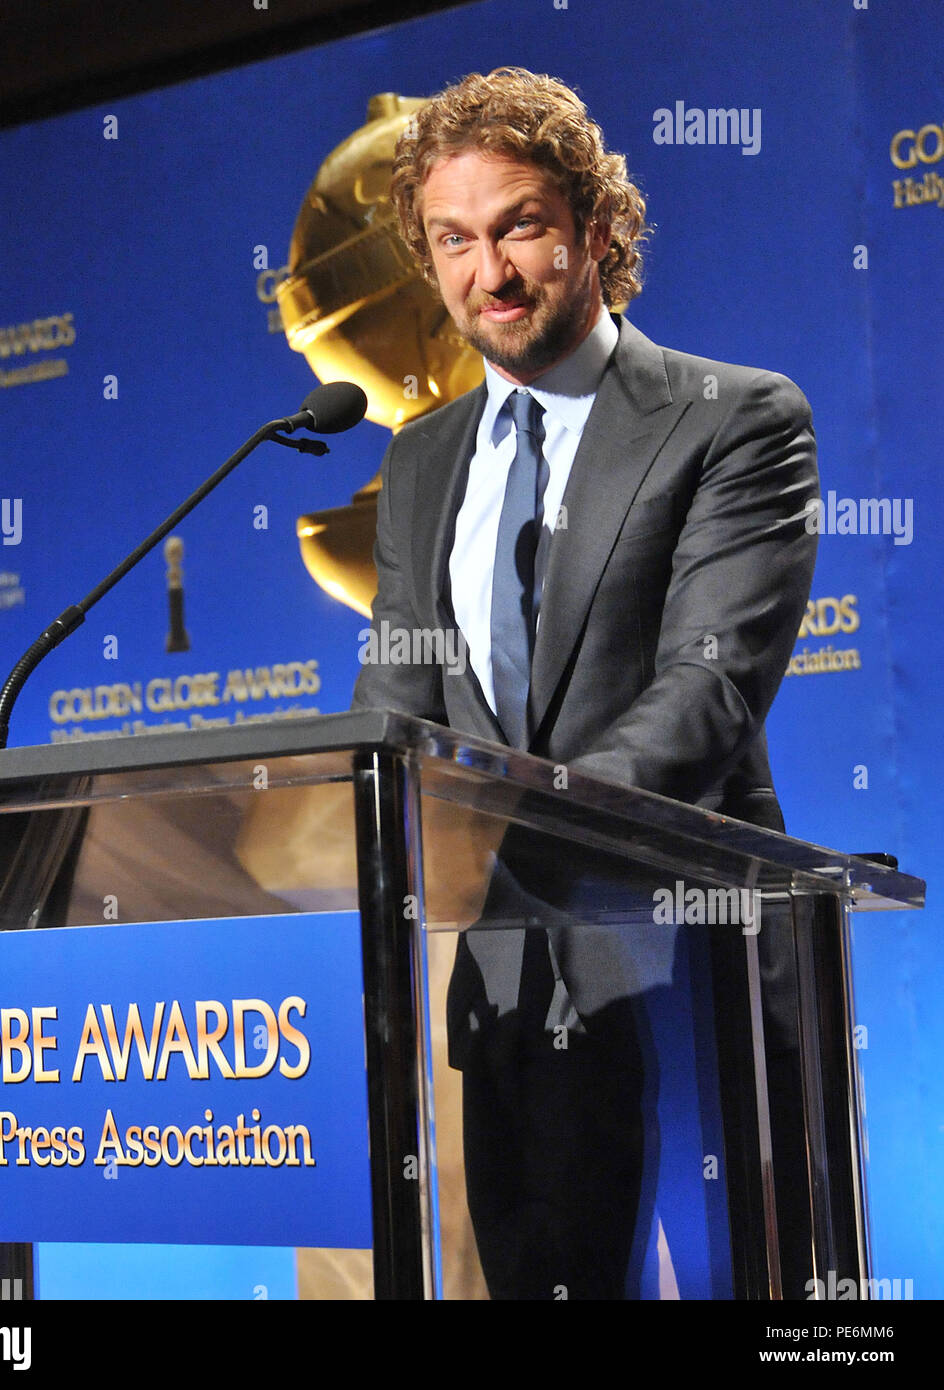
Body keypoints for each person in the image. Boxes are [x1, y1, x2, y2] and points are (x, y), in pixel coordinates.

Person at [351, 67, 819, 1299]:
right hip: (507, 982)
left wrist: (509, 852)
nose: (486, 273)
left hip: (682, 953)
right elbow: (396, 700)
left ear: (596, 229)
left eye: (517, 227)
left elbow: (703, 699)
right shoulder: (420, 461)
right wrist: (370, 837)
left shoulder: (732, 420)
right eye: (452, 240)